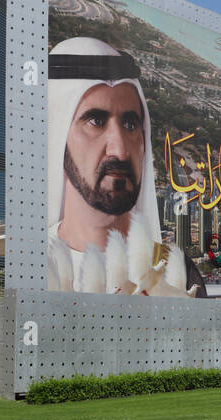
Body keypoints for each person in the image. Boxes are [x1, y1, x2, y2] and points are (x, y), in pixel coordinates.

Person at [46, 37, 205, 297]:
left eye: (131, 125)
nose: (119, 150)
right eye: (96, 121)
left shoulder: (177, 272)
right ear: (58, 136)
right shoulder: (35, 263)